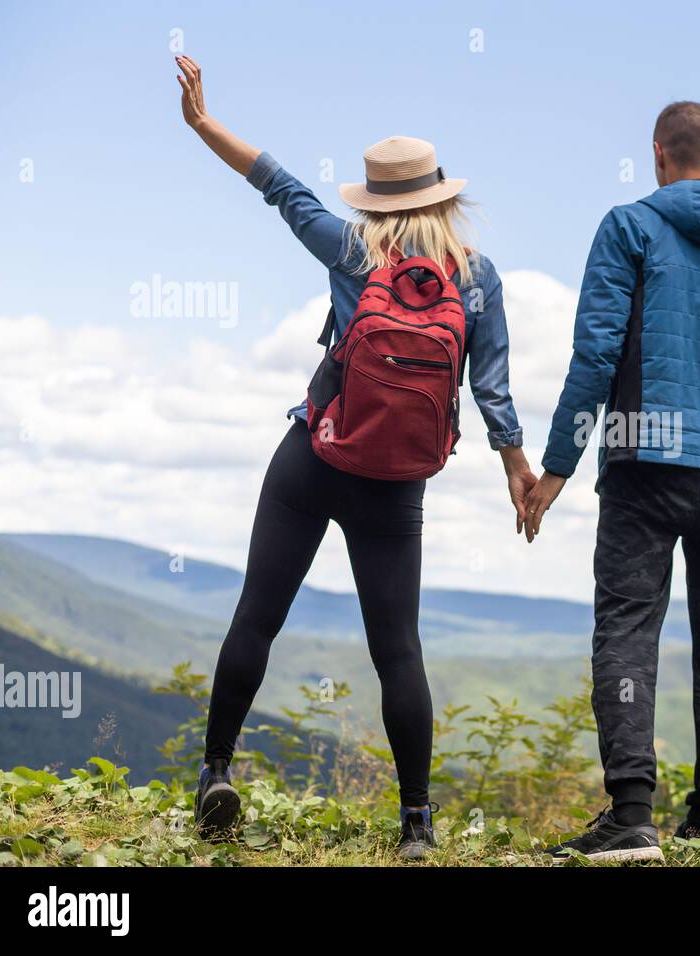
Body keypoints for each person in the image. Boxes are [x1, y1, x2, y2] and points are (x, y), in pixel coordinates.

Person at [174, 55, 536, 860]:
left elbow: (277, 183)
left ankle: (215, 773)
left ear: (377, 198)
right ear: (445, 196)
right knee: (397, 649)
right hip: (394, 488)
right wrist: (518, 471)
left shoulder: (350, 249)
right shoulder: (477, 281)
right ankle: (414, 824)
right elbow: (493, 390)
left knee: (256, 617)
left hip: (312, 456)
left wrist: (203, 124)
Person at [524, 101, 700, 863]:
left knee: (627, 629)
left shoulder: (628, 227)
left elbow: (594, 355)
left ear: (659, 155)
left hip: (642, 457)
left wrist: (555, 469)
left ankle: (630, 816)